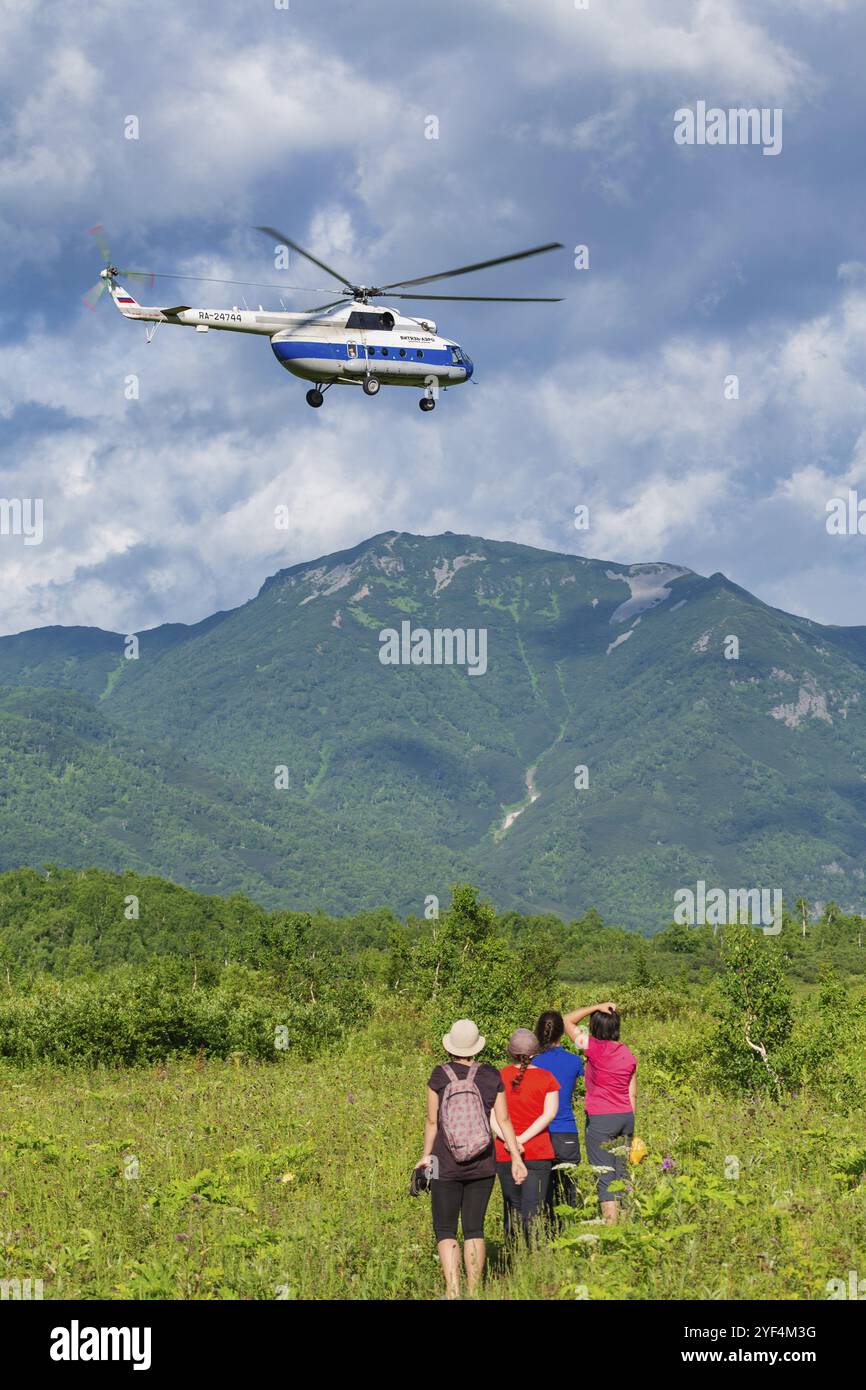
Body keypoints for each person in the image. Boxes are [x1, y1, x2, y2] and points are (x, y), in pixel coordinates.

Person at [417, 1018, 527, 1299]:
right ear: (476, 1047)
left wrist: (425, 1157)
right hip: (483, 1161)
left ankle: (452, 1292)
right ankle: (474, 1291)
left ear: (450, 1046)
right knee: (474, 1227)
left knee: (445, 1228)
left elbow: (432, 1121)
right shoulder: (491, 1075)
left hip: (445, 1162)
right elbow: (502, 1120)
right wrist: (516, 1157)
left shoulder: (439, 1075)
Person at [566, 1000, 637, 1224]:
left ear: (595, 1027)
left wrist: (595, 1007)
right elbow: (632, 1094)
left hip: (601, 1119)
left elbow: (565, 1020)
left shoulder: (593, 1048)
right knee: (622, 1175)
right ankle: (626, 1227)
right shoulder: (627, 1053)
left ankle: (611, 1229)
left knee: (605, 1177)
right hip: (626, 1117)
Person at [493, 1028, 560, 1242]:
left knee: (512, 1207)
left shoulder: (498, 1077)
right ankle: (533, 1255)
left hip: (504, 1151)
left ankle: (511, 1257)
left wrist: (510, 1141)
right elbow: (548, 1115)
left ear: (510, 1052)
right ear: (535, 1053)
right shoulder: (547, 1078)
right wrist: (522, 1140)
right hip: (538, 1151)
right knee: (533, 1209)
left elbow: (491, 1116)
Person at [531, 1010, 584, 1223]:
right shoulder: (574, 1061)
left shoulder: (532, 1063)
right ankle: (565, 1229)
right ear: (562, 1033)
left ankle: (544, 1229)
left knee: (541, 1189)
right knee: (568, 1189)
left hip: (539, 1131)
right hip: (566, 1131)